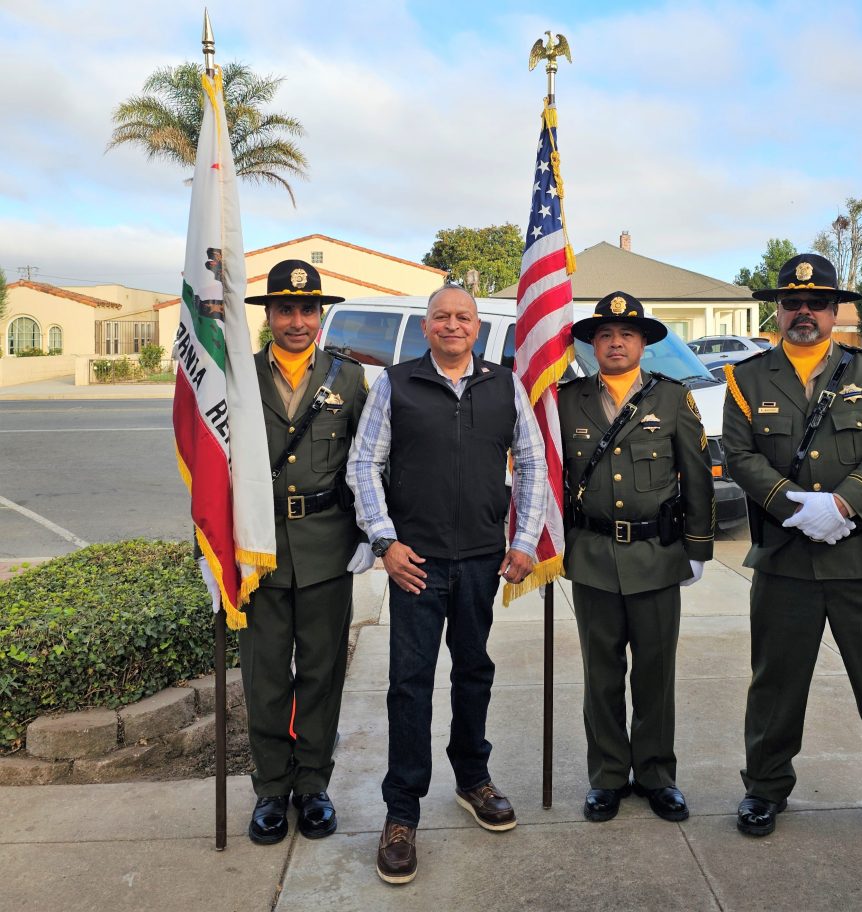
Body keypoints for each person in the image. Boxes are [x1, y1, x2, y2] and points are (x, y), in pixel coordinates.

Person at [722, 253, 862, 852]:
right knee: (775, 684)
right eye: (793, 302)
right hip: (785, 559)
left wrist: (844, 504)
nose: (804, 312)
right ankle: (765, 788)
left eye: (817, 303)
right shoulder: (746, 378)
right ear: (778, 309)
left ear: (834, 311)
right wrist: (794, 505)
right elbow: (740, 456)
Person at [347, 284, 547, 884]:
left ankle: (473, 779)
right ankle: (401, 813)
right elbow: (364, 464)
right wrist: (385, 541)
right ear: (427, 326)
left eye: (463, 317)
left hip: (483, 560)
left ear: (478, 328)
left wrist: (524, 540)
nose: (453, 325)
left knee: (473, 672)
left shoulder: (504, 385)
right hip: (415, 563)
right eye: (442, 317)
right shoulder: (395, 384)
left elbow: (531, 462)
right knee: (409, 684)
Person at [559, 291, 715, 824]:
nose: (616, 343)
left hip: (657, 555)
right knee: (601, 675)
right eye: (605, 335)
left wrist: (698, 547)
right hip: (593, 557)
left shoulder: (671, 399)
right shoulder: (567, 400)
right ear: (592, 345)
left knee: (654, 673)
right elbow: (550, 474)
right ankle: (607, 776)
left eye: (627, 335)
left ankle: (656, 775)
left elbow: (697, 477)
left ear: (643, 344)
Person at [241, 259, 373, 845]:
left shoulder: (349, 379)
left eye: (307, 309)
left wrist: (369, 534)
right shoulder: (238, 378)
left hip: (326, 546)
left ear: (320, 315)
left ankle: (314, 784)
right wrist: (210, 550)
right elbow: (215, 467)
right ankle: (272, 788)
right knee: (265, 677)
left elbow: (369, 462)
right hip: (258, 552)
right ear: (268, 315)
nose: (297, 321)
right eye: (285, 309)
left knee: (321, 673)